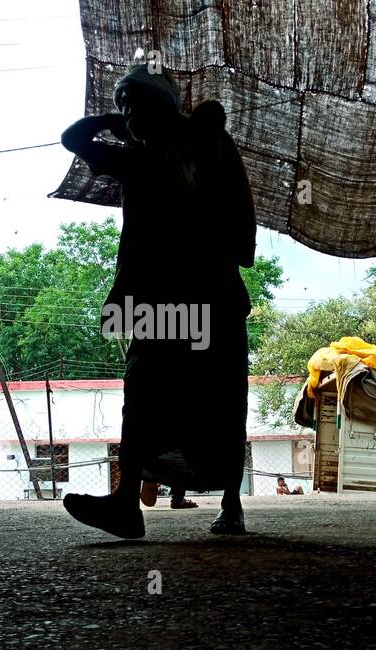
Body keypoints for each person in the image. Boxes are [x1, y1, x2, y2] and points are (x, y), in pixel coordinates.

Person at [59, 64, 256, 538]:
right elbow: (73, 139)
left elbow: (234, 206)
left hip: (210, 298)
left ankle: (231, 504)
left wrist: (178, 124)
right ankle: (127, 504)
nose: (130, 111)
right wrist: (113, 117)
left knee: (221, 398)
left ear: (164, 108)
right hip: (156, 302)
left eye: (137, 101)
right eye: (125, 103)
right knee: (142, 392)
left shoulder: (204, 142)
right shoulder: (137, 158)